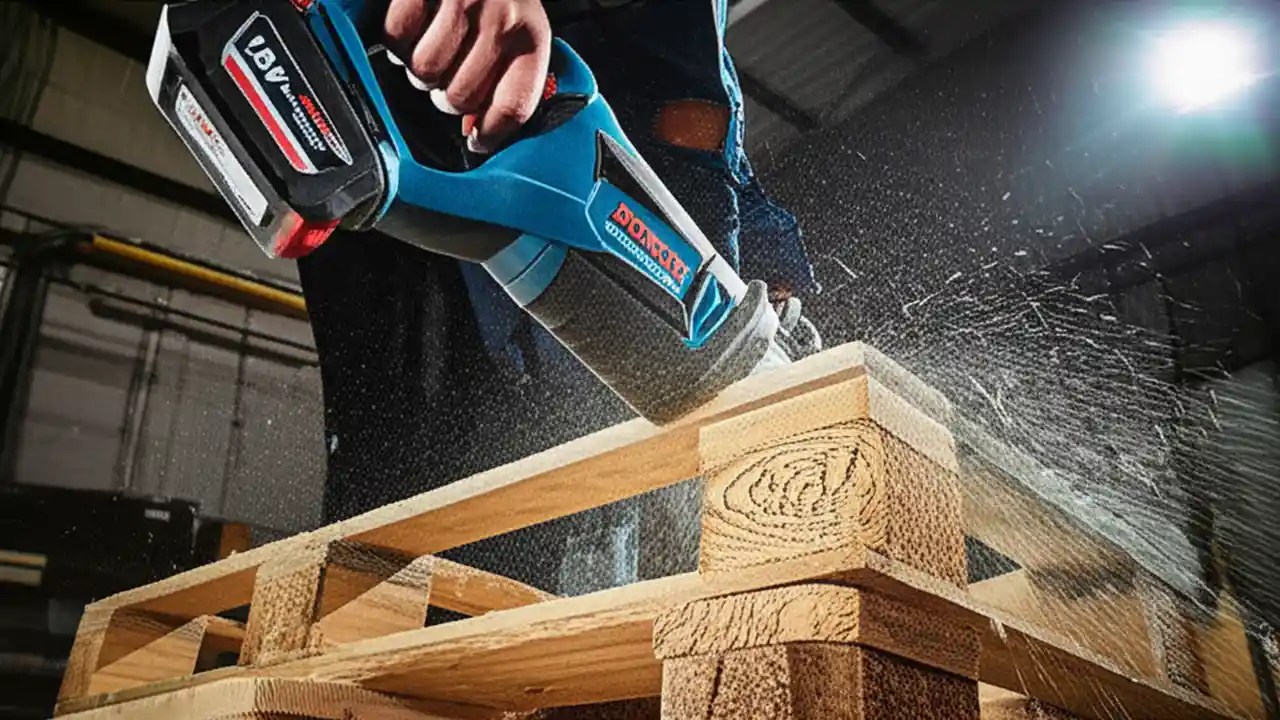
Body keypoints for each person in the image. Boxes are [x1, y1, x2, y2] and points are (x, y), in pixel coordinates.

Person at [297, 0, 820, 593]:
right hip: (448, 144)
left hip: (517, 130)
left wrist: (761, 252)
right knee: (411, 505)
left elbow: (697, 97)